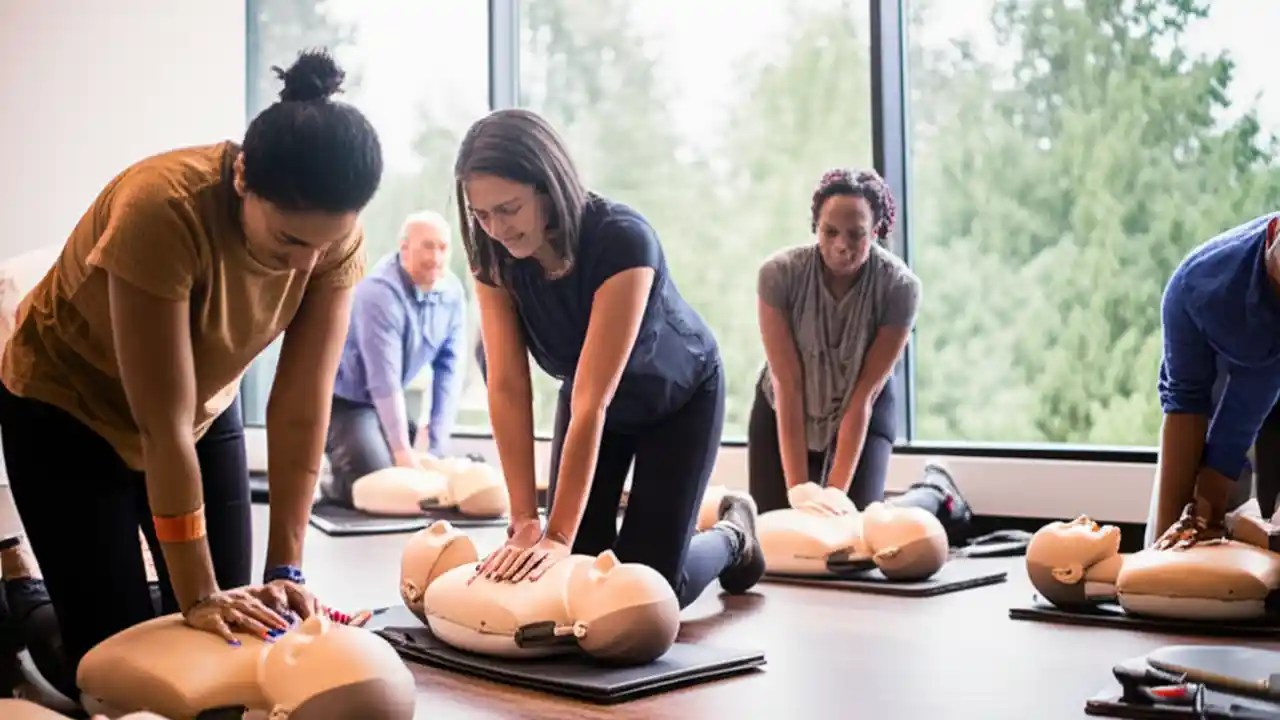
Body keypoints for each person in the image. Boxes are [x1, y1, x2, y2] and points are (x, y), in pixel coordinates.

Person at [0, 48, 382, 699]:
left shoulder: (328, 237)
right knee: (114, 674)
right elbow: (162, 424)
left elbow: (300, 406)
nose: (305, 265)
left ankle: (124, 590)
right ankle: (20, 593)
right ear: (241, 180)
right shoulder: (162, 209)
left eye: (325, 244)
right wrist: (198, 591)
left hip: (202, 408)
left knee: (230, 642)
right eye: (289, 241)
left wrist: (285, 566)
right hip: (66, 407)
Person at [453, 108, 765, 607]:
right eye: (482, 215)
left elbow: (593, 401)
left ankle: (733, 535)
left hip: (677, 398)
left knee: (646, 591)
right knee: (577, 576)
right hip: (587, 400)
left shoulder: (622, 240)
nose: (496, 229)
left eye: (508, 209)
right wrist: (526, 524)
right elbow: (508, 387)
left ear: (546, 185)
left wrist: (556, 538)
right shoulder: (493, 256)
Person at [748, 168, 972, 543]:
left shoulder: (900, 288)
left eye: (856, 235)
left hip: (862, 407)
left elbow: (863, 395)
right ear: (815, 227)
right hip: (785, 406)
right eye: (829, 232)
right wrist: (800, 490)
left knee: (859, 536)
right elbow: (789, 386)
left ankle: (938, 495)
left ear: (877, 230)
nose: (841, 245)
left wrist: (834, 494)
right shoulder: (777, 275)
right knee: (774, 540)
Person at [1149, 211, 1280, 549]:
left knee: (1225, 499)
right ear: (1273, 232)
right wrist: (1158, 557)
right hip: (1204, 307)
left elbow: (1239, 423)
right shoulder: (1199, 289)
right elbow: (1186, 406)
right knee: (1185, 527)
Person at [322, 210, 466, 507]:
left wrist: (437, 447)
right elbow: (382, 379)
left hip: (385, 404)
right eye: (427, 246)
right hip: (346, 403)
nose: (436, 257)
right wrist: (402, 454)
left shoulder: (452, 293)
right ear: (404, 248)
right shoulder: (379, 293)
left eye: (443, 247)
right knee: (380, 482)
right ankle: (331, 483)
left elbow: (449, 374)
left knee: (418, 479)